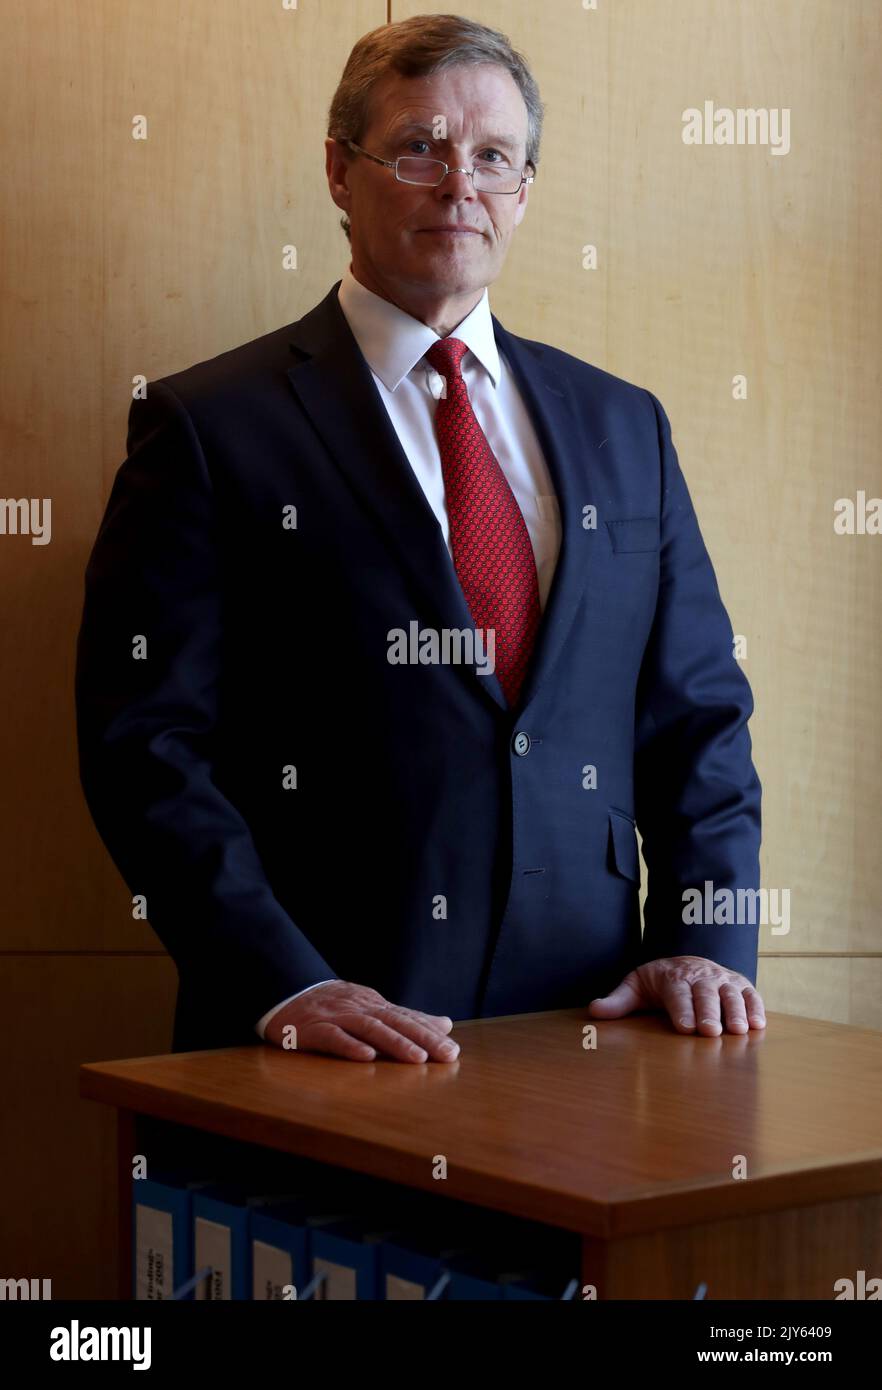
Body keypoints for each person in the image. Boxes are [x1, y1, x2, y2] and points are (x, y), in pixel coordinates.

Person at [75, 14, 766, 1062]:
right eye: (419, 147)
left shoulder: (626, 424)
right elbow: (146, 743)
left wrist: (703, 942)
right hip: (324, 1030)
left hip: (597, 1027)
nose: (460, 185)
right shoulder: (210, 429)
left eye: (494, 156)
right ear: (338, 173)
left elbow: (699, 720)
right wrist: (280, 979)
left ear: (525, 191)